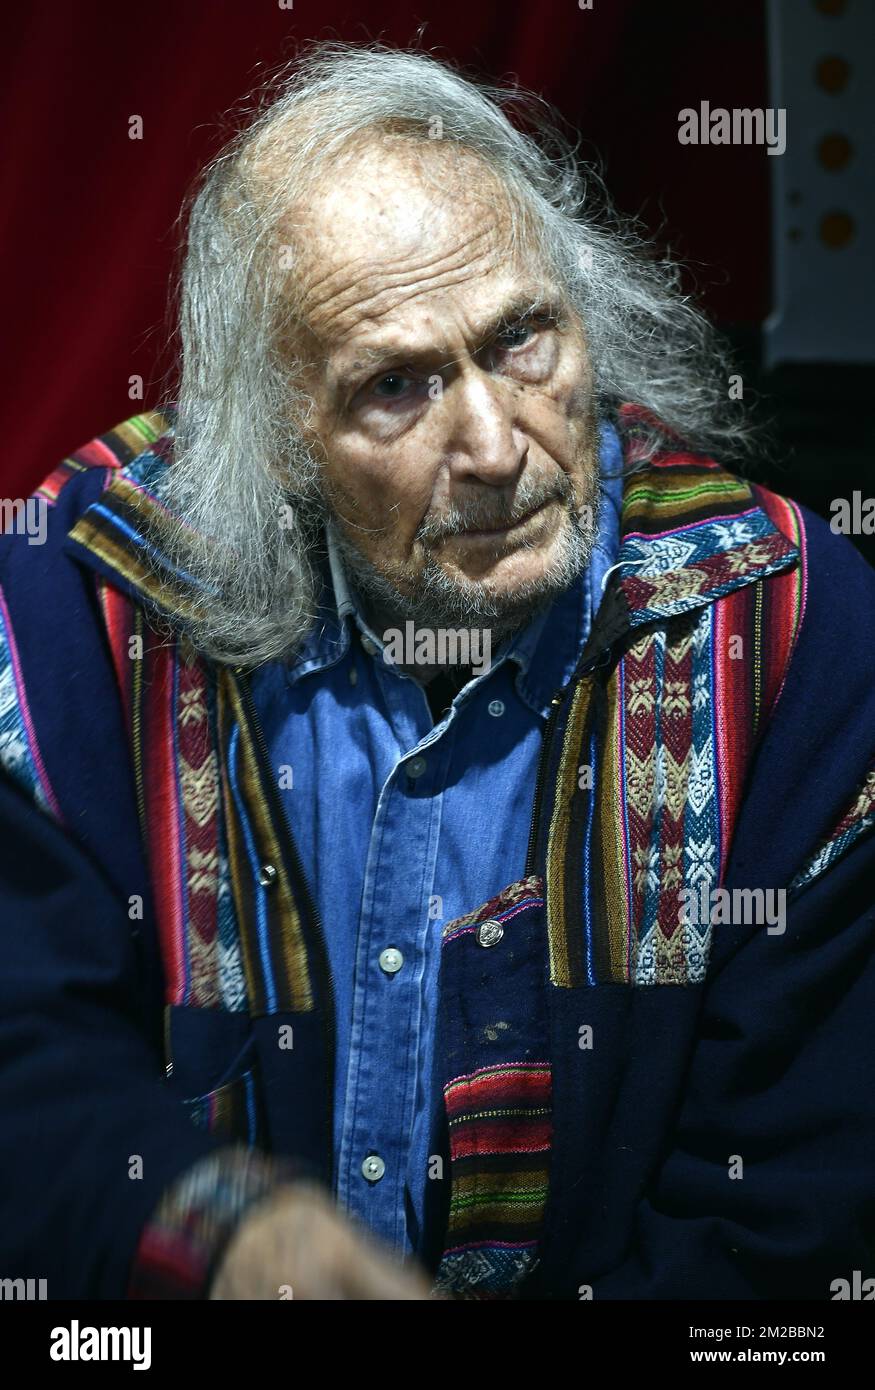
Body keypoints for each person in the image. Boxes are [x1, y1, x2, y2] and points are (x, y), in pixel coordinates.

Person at [1, 42, 873, 1301]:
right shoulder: (82, 598)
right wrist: (214, 1232)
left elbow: (788, 1210)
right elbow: (24, 1051)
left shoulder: (790, 636)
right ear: (277, 434)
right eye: (396, 387)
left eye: (521, 340)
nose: (491, 446)